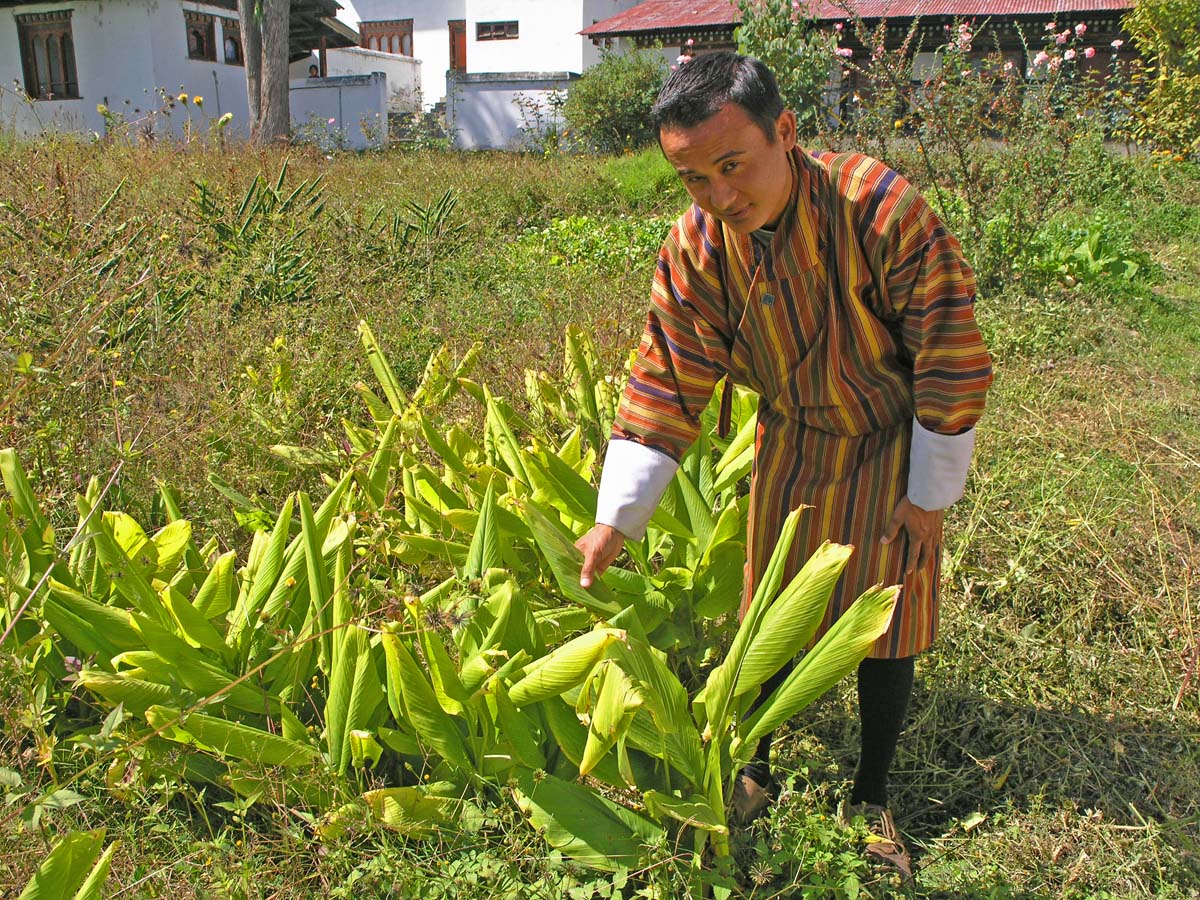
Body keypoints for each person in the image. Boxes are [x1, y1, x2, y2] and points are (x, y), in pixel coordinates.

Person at [574, 51, 992, 877]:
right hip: (793, 435)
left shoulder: (880, 211)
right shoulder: (698, 247)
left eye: (734, 166)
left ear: (787, 134)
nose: (721, 197)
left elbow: (948, 348)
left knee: (887, 623)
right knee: (770, 608)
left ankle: (871, 796)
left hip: (887, 438)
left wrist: (931, 495)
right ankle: (754, 766)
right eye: (694, 178)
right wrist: (614, 518)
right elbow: (668, 370)